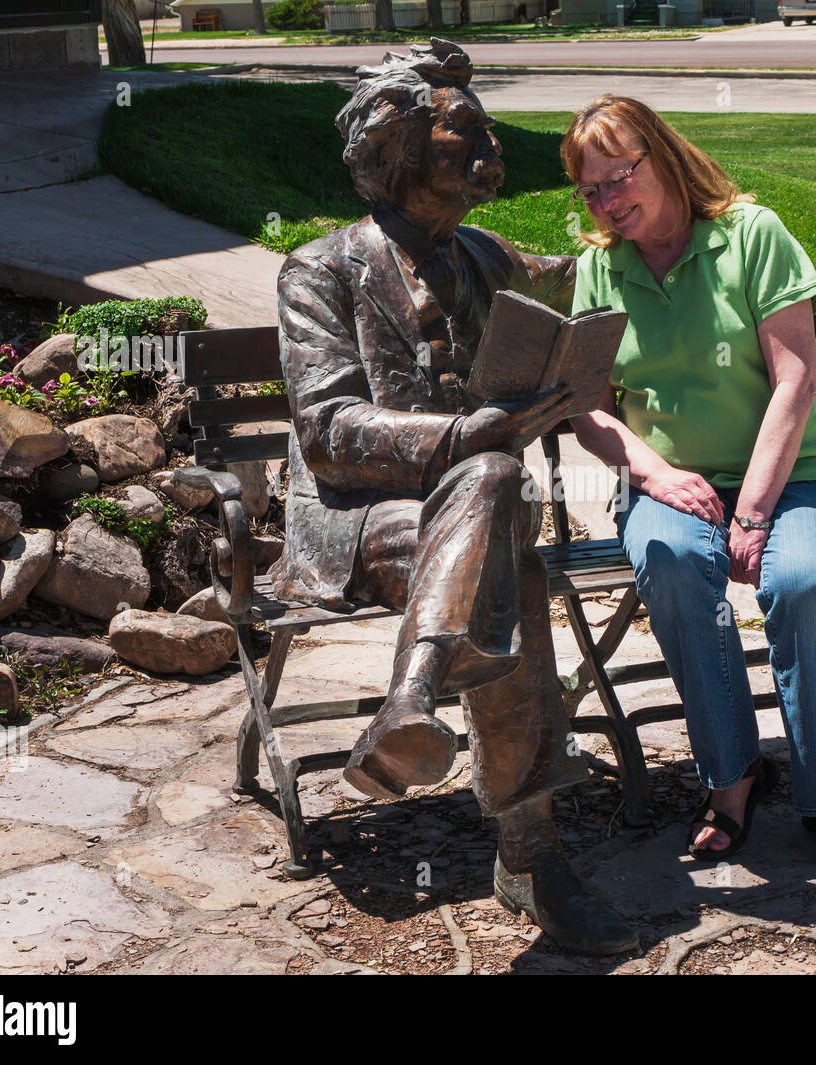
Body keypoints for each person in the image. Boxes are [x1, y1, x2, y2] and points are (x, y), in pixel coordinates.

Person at [269, 42, 637, 954]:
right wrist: (460, 436)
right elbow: (329, 431)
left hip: (472, 511)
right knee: (496, 497)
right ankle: (532, 852)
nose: (489, 145)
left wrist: (676, 220)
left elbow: (589, 277)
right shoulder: (320, 270)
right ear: (399, 145)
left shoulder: (484, 253)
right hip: (359, 520)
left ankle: (413, 700)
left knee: (494, 492)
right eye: (463, 128)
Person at [561, 95, 816, 870]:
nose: (609, 202)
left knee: (804, 579)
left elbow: (796, 379)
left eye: (621, 177)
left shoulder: (752, 236)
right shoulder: (598, 270)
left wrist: (752, 511)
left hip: (790, 479)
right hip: (668, 485)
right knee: (676, 564)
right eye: (592, 191)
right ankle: (732, 776)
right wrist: (657, 473)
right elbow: (588, 411)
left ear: (663, 156)